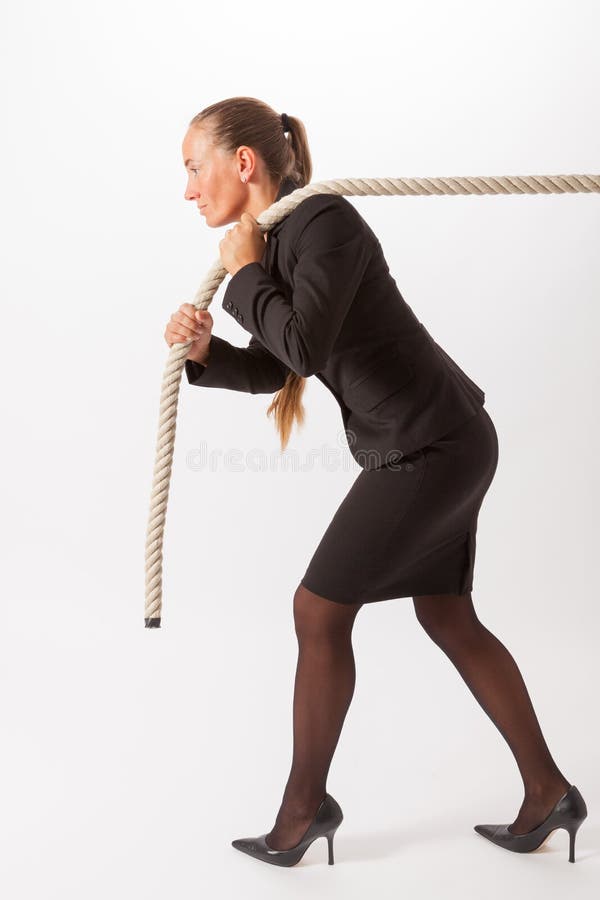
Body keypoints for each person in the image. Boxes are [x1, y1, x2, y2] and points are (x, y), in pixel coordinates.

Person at [164, 96, 587, 866]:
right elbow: (279, 363)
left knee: (316, 610)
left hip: (431, 446)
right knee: (449, 620)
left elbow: (298, 344)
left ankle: (302, 811)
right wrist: (206, 355)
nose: (189, 189)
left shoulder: (323, 226)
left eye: (194, 168)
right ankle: (547, 790)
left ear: (244, 163)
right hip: (436, 441)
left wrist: (245, 272)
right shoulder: (285, 238)